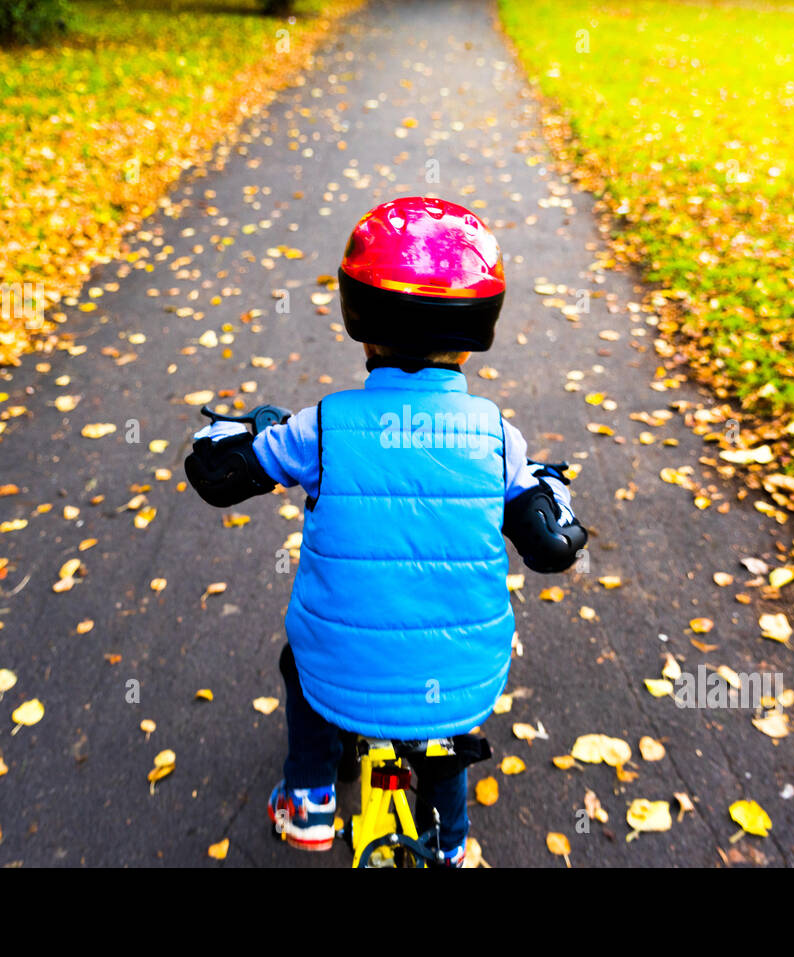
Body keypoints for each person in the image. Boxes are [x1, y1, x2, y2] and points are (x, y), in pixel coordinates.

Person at [185, 196, 587, 866]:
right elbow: (548, 537)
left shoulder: (320, 428)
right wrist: (549, 499)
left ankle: (311, 801)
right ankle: (449, 840)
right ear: (474, 331)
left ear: (359, 321)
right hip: (461, 670)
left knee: (303, 666)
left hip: (341, 668)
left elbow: (223, 475)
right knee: (446, 732)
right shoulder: (495, 437)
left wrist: (236, 433)